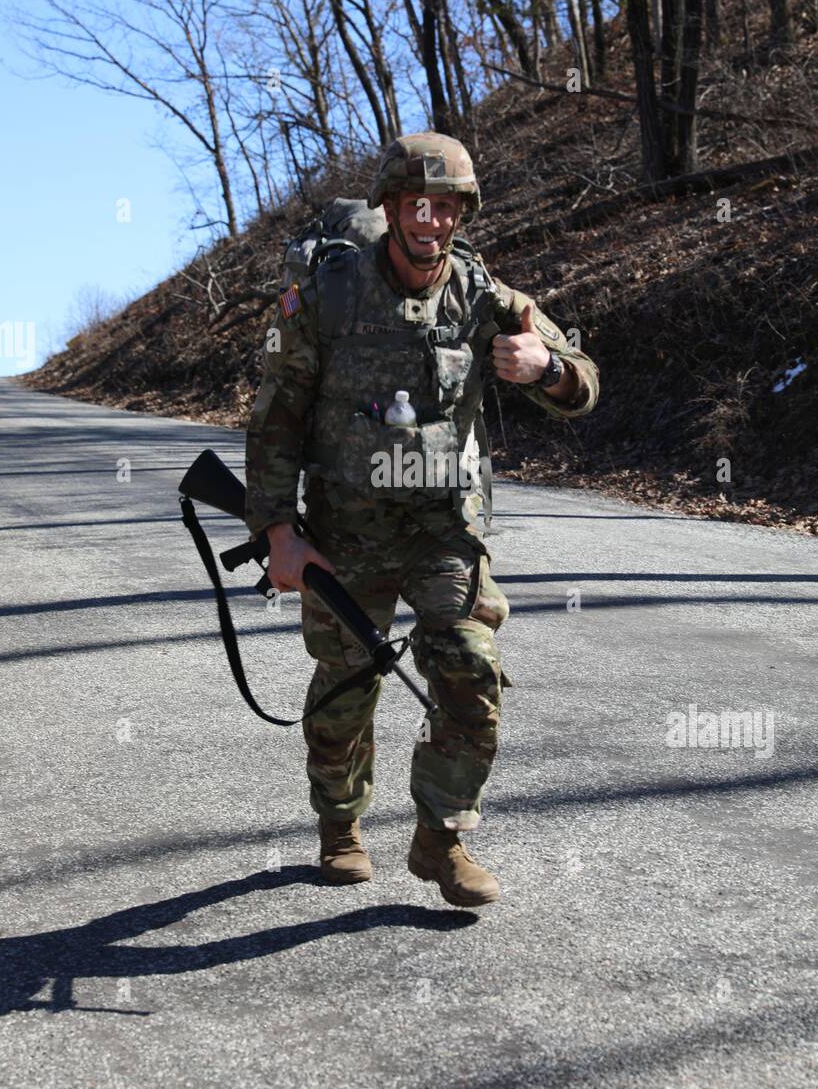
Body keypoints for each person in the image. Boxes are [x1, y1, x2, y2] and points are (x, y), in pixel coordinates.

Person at [245, 132, 599, 907]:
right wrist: (279, 532)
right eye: (415, 205)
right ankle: (339, 824)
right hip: (345, 529)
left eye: (444, 206)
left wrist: (547, 369)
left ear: (462, 213)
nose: (429, 221)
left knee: (470, 666)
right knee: (348, 685)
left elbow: (584, 383)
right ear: (390, 208)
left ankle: (443, 839)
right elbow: (277, 415)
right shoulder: (330, 298)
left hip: (444, 528)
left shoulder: (486, 299)